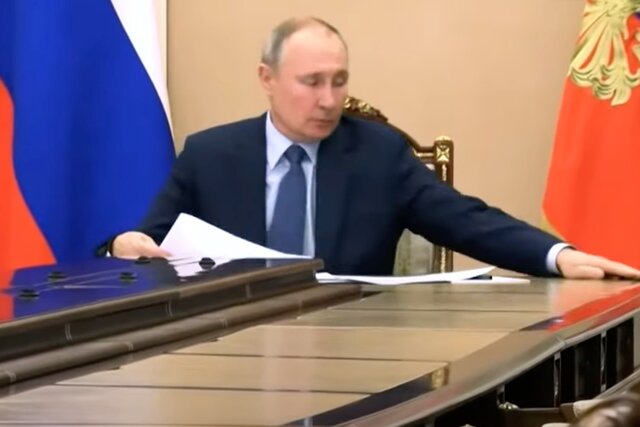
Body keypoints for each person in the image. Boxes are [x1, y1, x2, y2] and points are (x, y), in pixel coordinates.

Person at [110, 16, 639, 279]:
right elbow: (144, 243)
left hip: (355, 355)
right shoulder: (209, 155)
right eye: (311, 82)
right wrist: (122, 245)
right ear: (266, 78)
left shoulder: (379, 155)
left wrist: (559, 256)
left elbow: (468, 221)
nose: (329, 99)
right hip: (231, 356)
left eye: (339, 81)